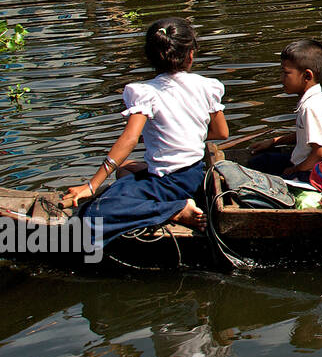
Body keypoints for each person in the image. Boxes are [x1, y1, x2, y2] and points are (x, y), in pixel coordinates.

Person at [66, 17, 228, 243]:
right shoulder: (206, 86)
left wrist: (91, 186)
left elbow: (130, 140)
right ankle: (172, 201)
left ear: (150, 56)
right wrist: (186, 132)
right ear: (190, 54)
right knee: (123, 169)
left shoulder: (145, 92)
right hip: (194, 174)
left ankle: (176, 209)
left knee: (92, 215)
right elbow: (221, 133)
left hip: (170, 182)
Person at [247, 39, 322, 181]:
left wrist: (294, 170)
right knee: (261, 161)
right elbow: (307, 135)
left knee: (261, 169)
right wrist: (274, 141)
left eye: (286, 73)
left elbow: (320, 153)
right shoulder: (314, 100)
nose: (281, 78)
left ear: (307, 76)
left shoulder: (312, 107)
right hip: (314, 164)